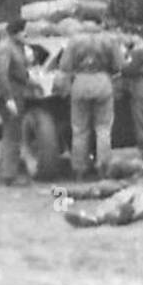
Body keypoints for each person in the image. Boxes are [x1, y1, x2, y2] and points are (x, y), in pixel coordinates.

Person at [59, 25, 123, 180]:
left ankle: (79, 169)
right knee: (103, 129)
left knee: (80, 129)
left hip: (80, 82)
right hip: (102, 82)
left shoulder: (74, 40)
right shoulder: (109, 40)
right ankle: (103, 168)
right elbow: (118, 65)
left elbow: (64, 66)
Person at [0, 18, 31, 186]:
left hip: (16, 92)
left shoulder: (15, 47)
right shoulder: (6, 48)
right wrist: (9, 99)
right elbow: (1, 75)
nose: (26, 34)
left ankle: (8, 172)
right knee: (12, 135)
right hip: (11, 95)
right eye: (24, 31)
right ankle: (9, 175)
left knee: (13, 134)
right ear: (16, 32)